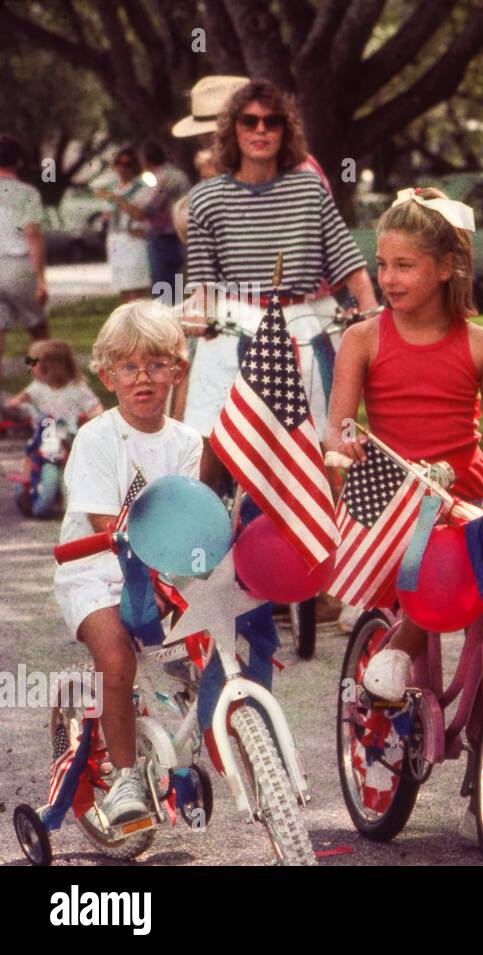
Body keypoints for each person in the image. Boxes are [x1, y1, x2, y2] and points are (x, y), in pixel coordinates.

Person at [325, 187, 483, 694]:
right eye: (382, 264)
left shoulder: (482, 345)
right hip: (396, 507)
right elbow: (338, 423)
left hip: (466, 501)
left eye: (404, 266)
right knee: (435, 580)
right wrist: (344, 444)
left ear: (445, 267)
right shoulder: (363, 338)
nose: (387, 279)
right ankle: (396, 651)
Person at [182, 80, 377, 488]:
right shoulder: (206, 198)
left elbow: (346, 260)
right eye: (249, 121)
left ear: (285, 130)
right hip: (235, 315)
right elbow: (202, 279)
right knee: (208, 440)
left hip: (304, 320)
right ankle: (198, 537)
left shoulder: (308, 187)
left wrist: (372, 314)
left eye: (272, 122)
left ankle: (331, 542)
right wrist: (195, 322)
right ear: (232, 129)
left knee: (328, 443)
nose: (260, 130)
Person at [52, 301, 200, 825]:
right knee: (116, 659)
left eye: (157, 365)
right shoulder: (97, 437)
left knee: (215, 639)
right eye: (129, 368)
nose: (144, 379)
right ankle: (125, 776)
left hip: (160, 571)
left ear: (176, 372)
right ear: (108, 375)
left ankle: (222, 743)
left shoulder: (186, 441)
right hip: (94, 572)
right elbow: (101, 524)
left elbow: (187, 513)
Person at [5, 339, 102, 517]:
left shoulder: (77, 388)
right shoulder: (39, 387)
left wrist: (94, 416)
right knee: (31, 452)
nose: (31, 366)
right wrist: (15, 404)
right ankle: (27, 481)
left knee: (78, 462)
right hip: (44, 434)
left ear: (52, 366)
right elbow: (23, 397)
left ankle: (74, 496)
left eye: (34, 362)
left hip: (68, 435)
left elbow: (94, 406)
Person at [0, 133, 50, 369]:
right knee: (39, 333)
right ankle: (40, 376)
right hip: (18, 267)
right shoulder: (27, 193)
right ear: (19, 161)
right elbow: (32, 235)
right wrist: (41, 279)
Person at [95, 147, 152, 302]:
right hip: (115, 239)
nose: (122, 168)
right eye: (119, 164)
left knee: (137, 285)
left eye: (127, 164)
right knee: (123, 285)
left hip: (133, 239)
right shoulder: (112, 187)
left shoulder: (141, 188)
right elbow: (107, 213)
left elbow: (139, 214)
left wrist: (116, 199)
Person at [138, 140, 190, 293]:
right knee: (174, 284)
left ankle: (165, 315)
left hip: (164, 235)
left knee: (163, 284)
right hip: (178, 232)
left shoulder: (162, 177)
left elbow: (150, 206)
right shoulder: (177, 174)